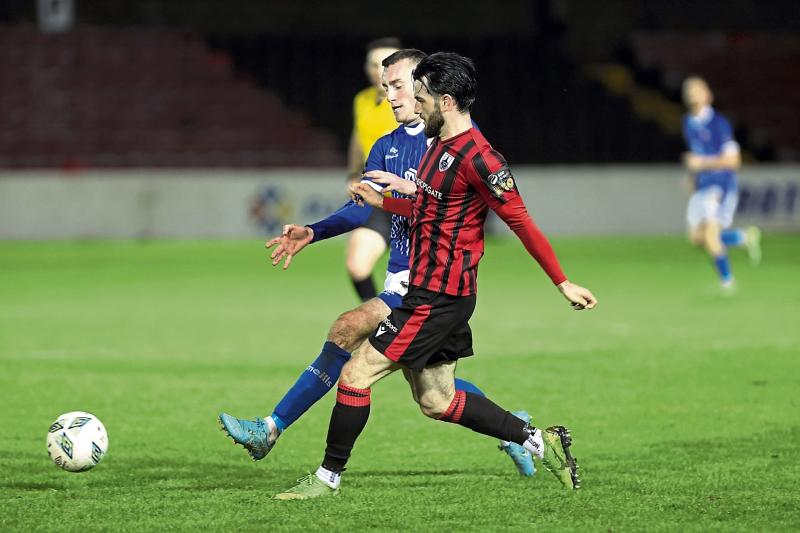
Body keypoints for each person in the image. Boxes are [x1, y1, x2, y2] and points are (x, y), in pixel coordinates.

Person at [274, 52, 597, 500]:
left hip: (438, 296)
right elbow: (430, 210)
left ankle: (327, 479)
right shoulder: (437, 148)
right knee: (436, 401)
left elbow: (522, 223)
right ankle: (541, 442)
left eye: (420, 97)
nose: (413, 104)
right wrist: (381, 199)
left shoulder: (481, 160)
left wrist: (563, 282)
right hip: (431, 291)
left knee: (355, 374)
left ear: (445, 101)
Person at [219, 50, 535, 478]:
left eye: (397, 85)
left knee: (350, 327)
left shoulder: (454, 139)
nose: (388, 95)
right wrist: (313, 232)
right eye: (384, 87)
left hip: (435, 279)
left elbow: (465, 202)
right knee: (431, 393)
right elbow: (365, 208)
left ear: (424, 85)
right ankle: (517, 431)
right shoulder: (385, 146)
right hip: (402, 275)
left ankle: (272, 430)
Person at [681, 76, 761, 290]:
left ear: (708, 95)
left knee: (710, 234)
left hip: (720, 185)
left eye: (696, 89)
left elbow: (734, 161)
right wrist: (691, 178)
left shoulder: (719, 123)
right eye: (688, 90)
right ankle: (742, 237)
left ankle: (727, 281)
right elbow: (696, 158)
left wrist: (702, 163)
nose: (691, 93)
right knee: (696, 238)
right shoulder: (688, 123)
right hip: (702, 186)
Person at [346, 37, 401, 302]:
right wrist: (353, 174)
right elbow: (358, 139)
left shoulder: (417, 102)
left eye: (385, 64)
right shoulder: (363, 100)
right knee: (357, 265)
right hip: (377, 197)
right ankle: (380, 323)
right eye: (372, 64)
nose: (377, 70)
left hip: (415, 201)